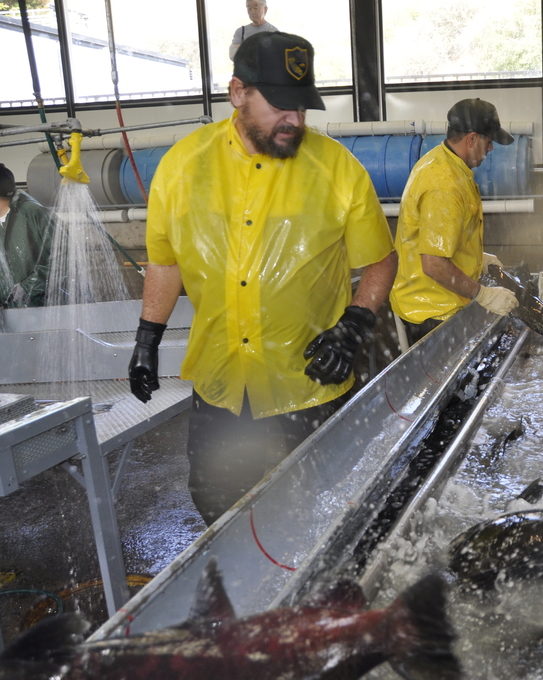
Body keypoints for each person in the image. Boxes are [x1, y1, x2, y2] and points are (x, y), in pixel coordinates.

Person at [127, 32, 397, 525]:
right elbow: (166, 262)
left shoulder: (338, 169)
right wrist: (147, 338)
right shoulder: (181, 168)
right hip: (221, 389)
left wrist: (355, 323)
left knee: (317, 521)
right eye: (279, 104)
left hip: (309, 386)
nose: (294, 119)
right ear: (238, 93)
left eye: (302, 105)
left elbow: (381, 261)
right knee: (220, 511)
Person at [389, 98, 519, 344]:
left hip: (441, 300)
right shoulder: (444, 185)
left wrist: (478, 259)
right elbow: (434, 264)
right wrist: (484, 294)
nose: (490, 149)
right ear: (471, 139)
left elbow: (443, 238)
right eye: (488, 142)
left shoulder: (443, 162)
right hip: (432, 310)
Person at [0, 163, 53, 308]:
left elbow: (66, 258)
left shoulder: (33, 213)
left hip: (47, 310)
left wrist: (29, 286)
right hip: (11, 313)